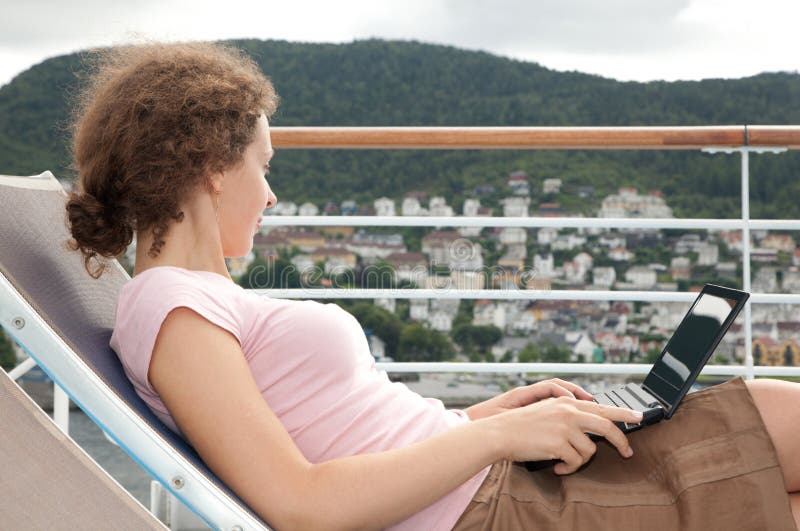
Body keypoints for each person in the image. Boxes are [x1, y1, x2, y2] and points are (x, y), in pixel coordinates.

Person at [64, 41, 799, 530]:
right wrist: (503, 437)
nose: (272, 194)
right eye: (264, 165)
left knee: (774, 413)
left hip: (489, 471)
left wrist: (485, 418)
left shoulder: (196, 296)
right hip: (491, 508)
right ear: (212, 168)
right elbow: (300, 503)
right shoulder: (170, 308)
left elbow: (347, 433)